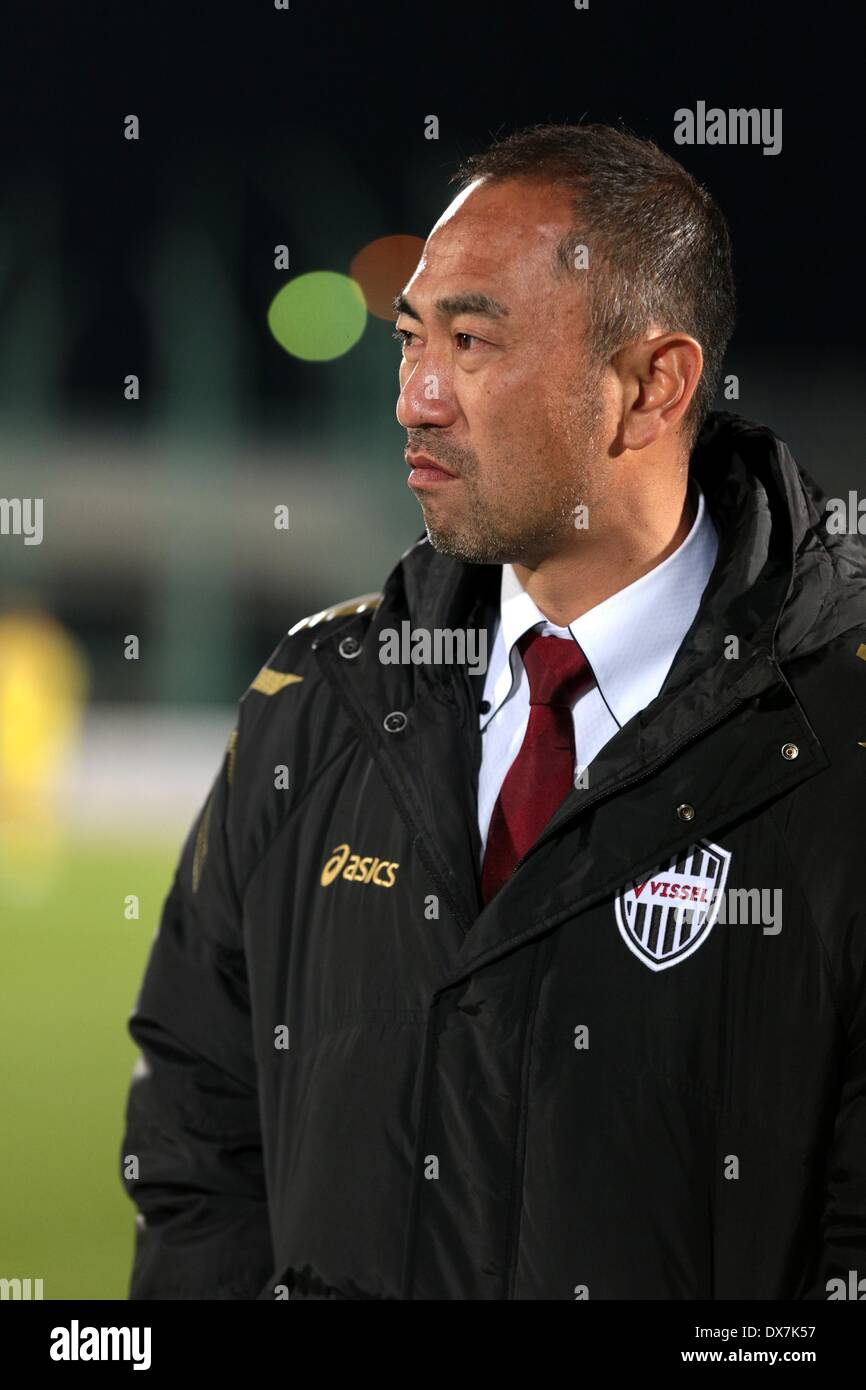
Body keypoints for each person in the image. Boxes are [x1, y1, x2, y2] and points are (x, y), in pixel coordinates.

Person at [121, 123, 866, 1300]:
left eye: (470, 342)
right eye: (412, 337)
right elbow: (199, 1145)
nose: (415, 396)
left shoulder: (838, 735)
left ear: (650, 387)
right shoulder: (312, 704)